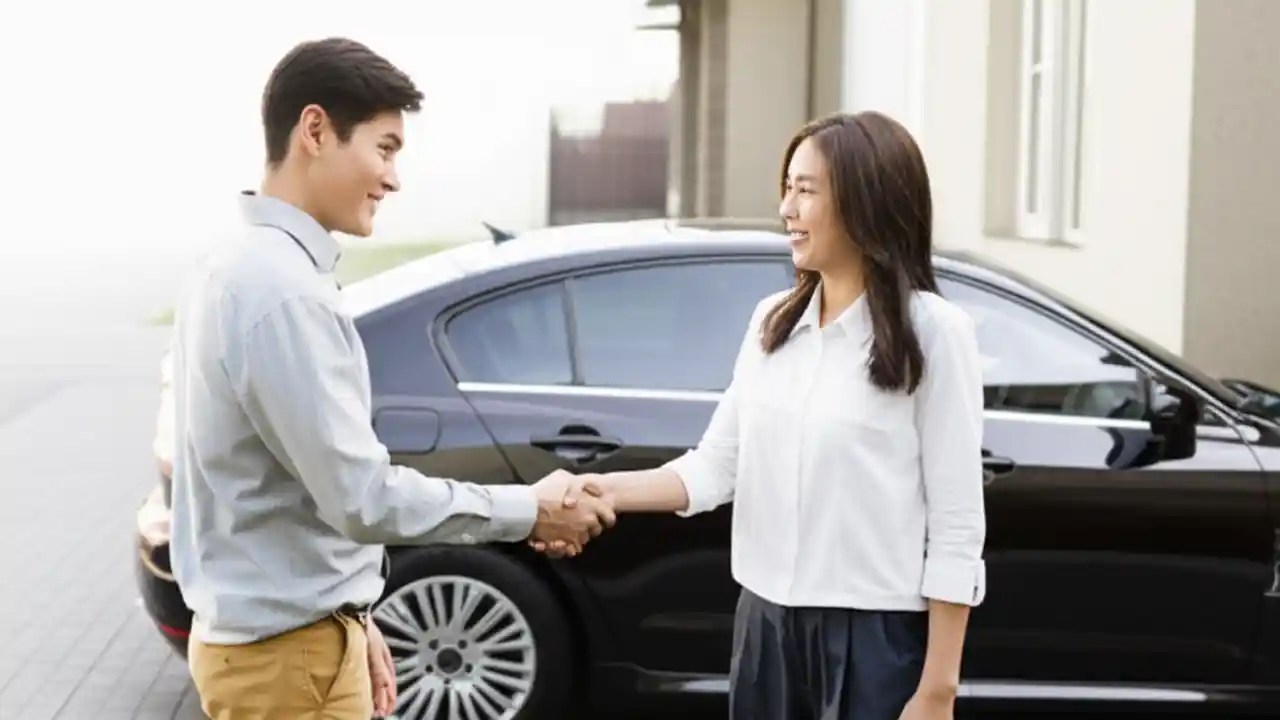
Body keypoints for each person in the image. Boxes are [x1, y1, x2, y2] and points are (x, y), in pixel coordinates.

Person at [168, 37, 614, 720]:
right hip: (289, 660)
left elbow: (291, 494)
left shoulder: (239, 265)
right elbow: (362, 496)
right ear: (315, 130)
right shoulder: (281, 292)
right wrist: (530, 509)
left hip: (299, 643)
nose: (394, 178)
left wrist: (348, 615)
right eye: (384, 147)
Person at [537, 111, 987, 719]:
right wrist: (599, 488)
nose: (787, 210)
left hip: (877, 640)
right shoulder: (773, 322)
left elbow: (958, 523)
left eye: (806, 190)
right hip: (765, 630)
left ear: (866, 199)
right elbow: (714, 468)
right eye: (787, 188)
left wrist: (938, 689)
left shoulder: (935, 333)